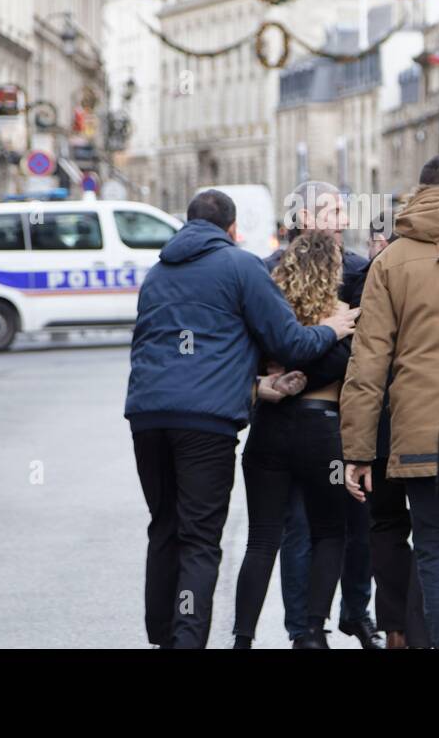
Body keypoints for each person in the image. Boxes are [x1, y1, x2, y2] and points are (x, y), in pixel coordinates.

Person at [124, 189, 358, 649]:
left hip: (147, 417)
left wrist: (255, 387)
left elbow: (163, 349)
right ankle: (187, 640)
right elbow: (290, 343)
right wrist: (332, 328)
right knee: (199, 539)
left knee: (165, 527)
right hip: (204, 425)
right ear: (232, 230)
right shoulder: (240, 266)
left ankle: (164, 636)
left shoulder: (156, 274)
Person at [341, 154, 439, 649]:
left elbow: (368, 364)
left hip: (421, 438)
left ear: (417, 192)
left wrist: (358, 452)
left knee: (435, 551)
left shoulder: (389, 262)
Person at [269, 180, 382, 649]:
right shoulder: (269, 272)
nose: (341, 219)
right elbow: (265, 344)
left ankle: (356, 612)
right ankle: (303, 628)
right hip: (292, 421)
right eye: (330, 210)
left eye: (343, 209)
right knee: (298, 527)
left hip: (344, 412)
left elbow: (364, 349)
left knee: (359, 524)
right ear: (302, 217)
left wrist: (297, 371)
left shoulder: (357, 270)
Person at [232, 231, 355, 649]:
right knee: (328, 533)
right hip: (323, 432)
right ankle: (311, 632)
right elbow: (351, 369)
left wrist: (282, 376)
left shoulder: (270, 314)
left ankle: (243, 637)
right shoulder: (342, 315)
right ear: (333, 271)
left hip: (269, 429)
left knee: (263, 538)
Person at [362, 213, 429, 649]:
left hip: (385, 421)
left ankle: (396, 630)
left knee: (386, 525)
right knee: (432, 533)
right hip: (428, 423)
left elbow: (364, 361)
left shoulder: (375, 275)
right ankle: (422, 629)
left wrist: (355, 444)